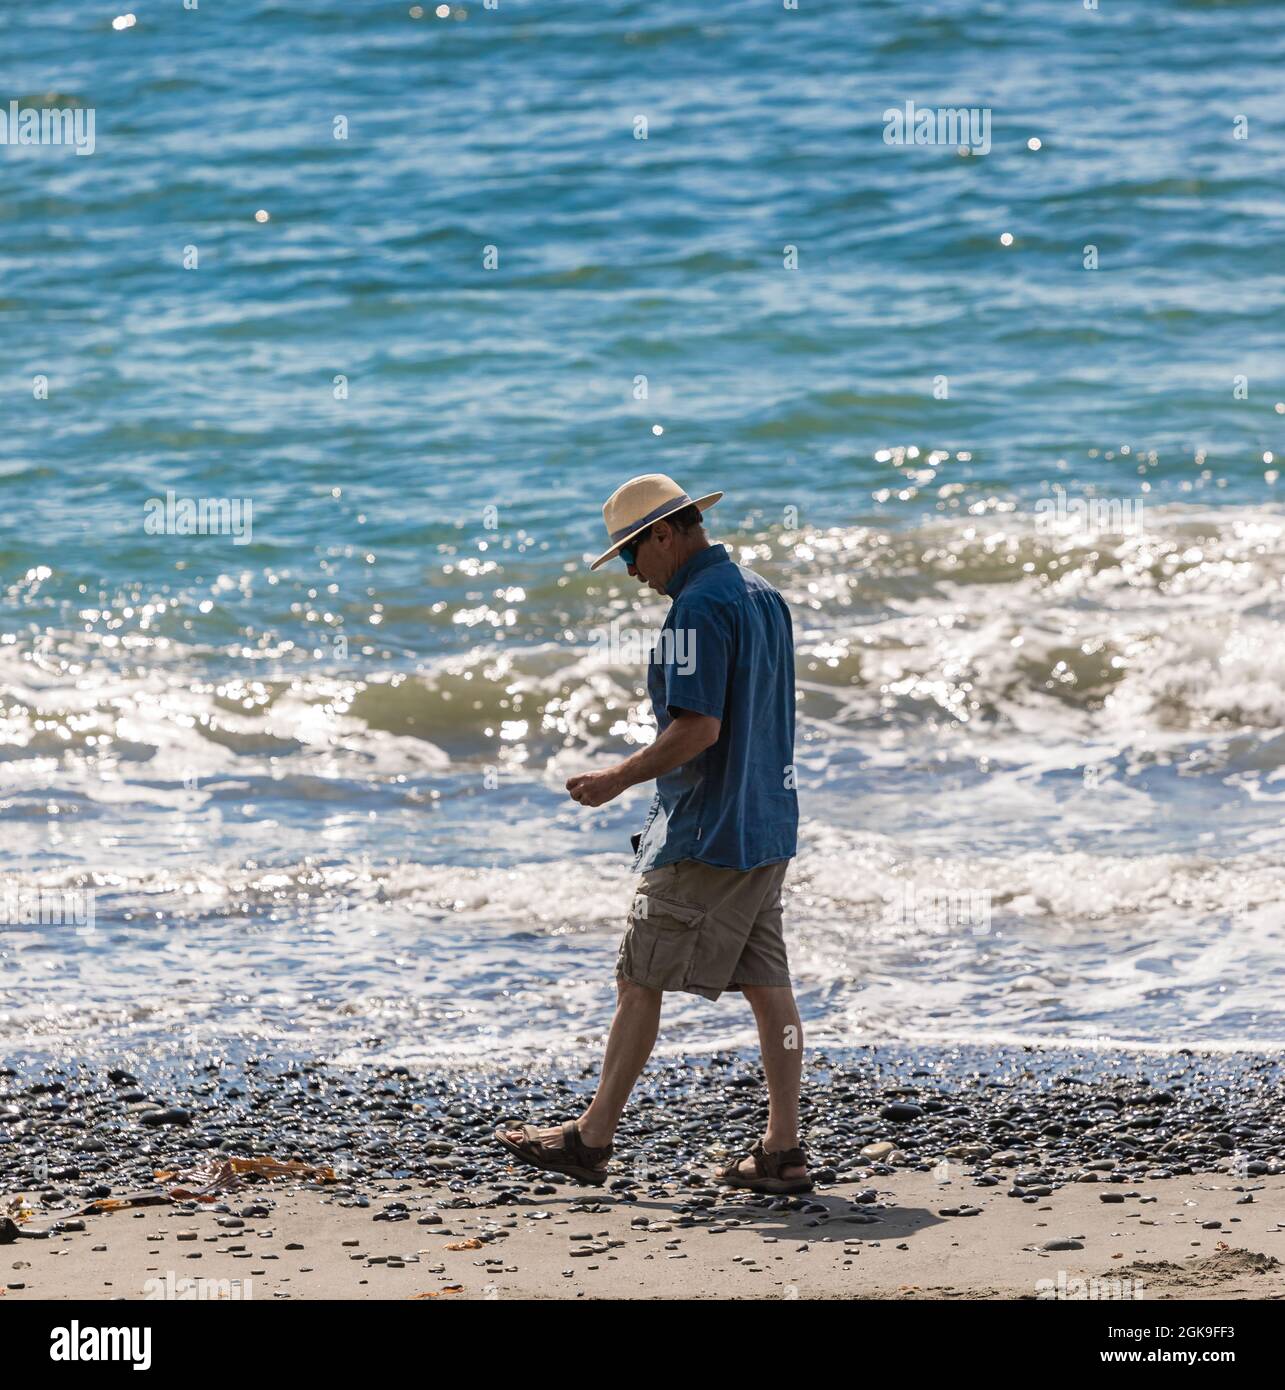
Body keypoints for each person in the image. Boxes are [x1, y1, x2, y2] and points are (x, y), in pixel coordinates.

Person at [495, 473, 810, 1193]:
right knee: (767, 985)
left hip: (705, 832)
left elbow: (697, 728)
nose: (632, 574)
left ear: (665, 534)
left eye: (632, 556)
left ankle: (590, 1139)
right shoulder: (762, 595)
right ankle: (782, 1151)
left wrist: (615, 780)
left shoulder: (698, 608)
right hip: (766, 822)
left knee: (638, 978)